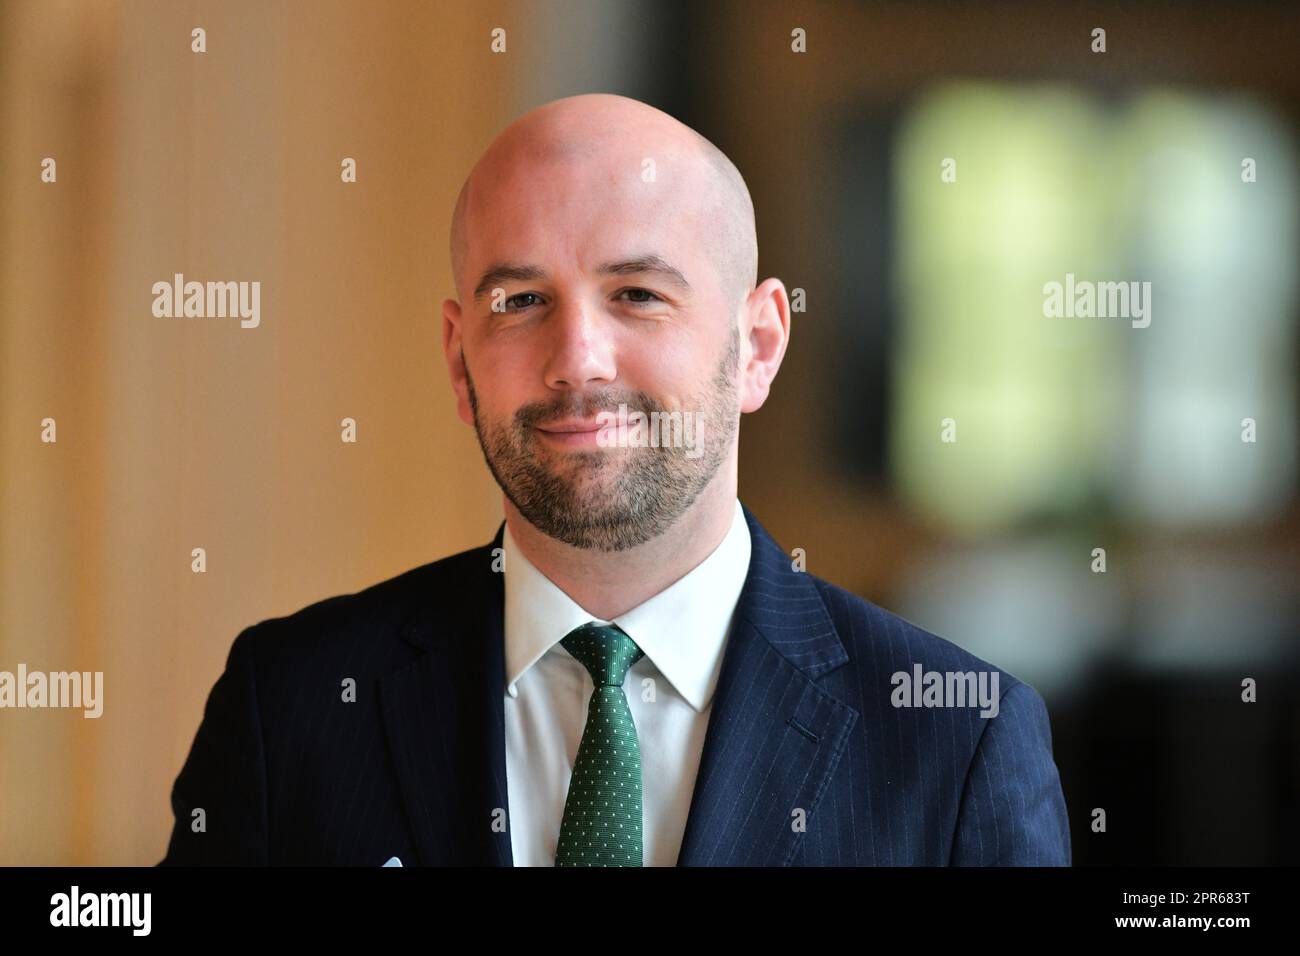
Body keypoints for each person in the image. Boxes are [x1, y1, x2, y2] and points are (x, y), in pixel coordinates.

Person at [160, 93, 1070, 866]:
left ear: (757, 347)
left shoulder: (957, 746)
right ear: (458, 361)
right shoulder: (290, 709)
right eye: (519, 302)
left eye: (637, 293)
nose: (578, 361)